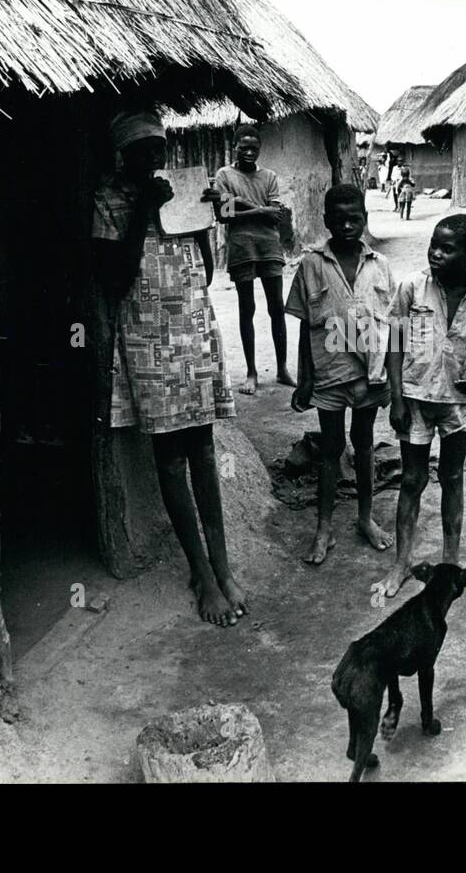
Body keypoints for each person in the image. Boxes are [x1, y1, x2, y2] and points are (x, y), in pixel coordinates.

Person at [91, 110, 247, 628]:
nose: (155, 159)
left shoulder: (177, 190)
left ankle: (223, 568)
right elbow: (112, 280)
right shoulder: (109, 199)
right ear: (124, 155)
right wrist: (144, 212)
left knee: (202, 448)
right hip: (146, 337)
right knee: (170, 455)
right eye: (144, 152)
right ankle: (200, 573)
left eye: (159, 149)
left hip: (192, 330)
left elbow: (203, 265)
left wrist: (199, 216)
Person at [376, 214, 466, 598]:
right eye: (434, 245)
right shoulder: (412, 287)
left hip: (458, 403)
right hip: (414, 399)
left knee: (453, 477)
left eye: (447, 249)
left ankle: (449, 562)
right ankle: (400, 565)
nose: (436, 254)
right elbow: (394, 342)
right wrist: (395, 397)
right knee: (412, 480)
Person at [286, 184, 395, 564]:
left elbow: (392, 327)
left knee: (363, 444)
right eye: (339, 218)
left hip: (370, 376)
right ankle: (324, 527)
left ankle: (365, 518)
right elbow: (304, 327)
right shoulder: (311, 265)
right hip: (329, 374)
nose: (348, 225)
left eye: (355, 218)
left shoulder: (380, 266)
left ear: (365, 218)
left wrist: (395, 384)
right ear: (326, 220)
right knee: (331, 449)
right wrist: (304, 378)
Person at [213, 123, 295, 395]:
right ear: (235, 147)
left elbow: (277, 215)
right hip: (241, 247)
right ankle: (251, 372)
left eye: (254, 148)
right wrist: (260, 209)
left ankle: (282, 369)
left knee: (276, 308)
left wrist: (244, 205)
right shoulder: (224, 175)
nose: (249, 152)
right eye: (243, 147)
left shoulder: (269, 176)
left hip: (269, 246)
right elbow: (224, 215)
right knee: (246, 309)